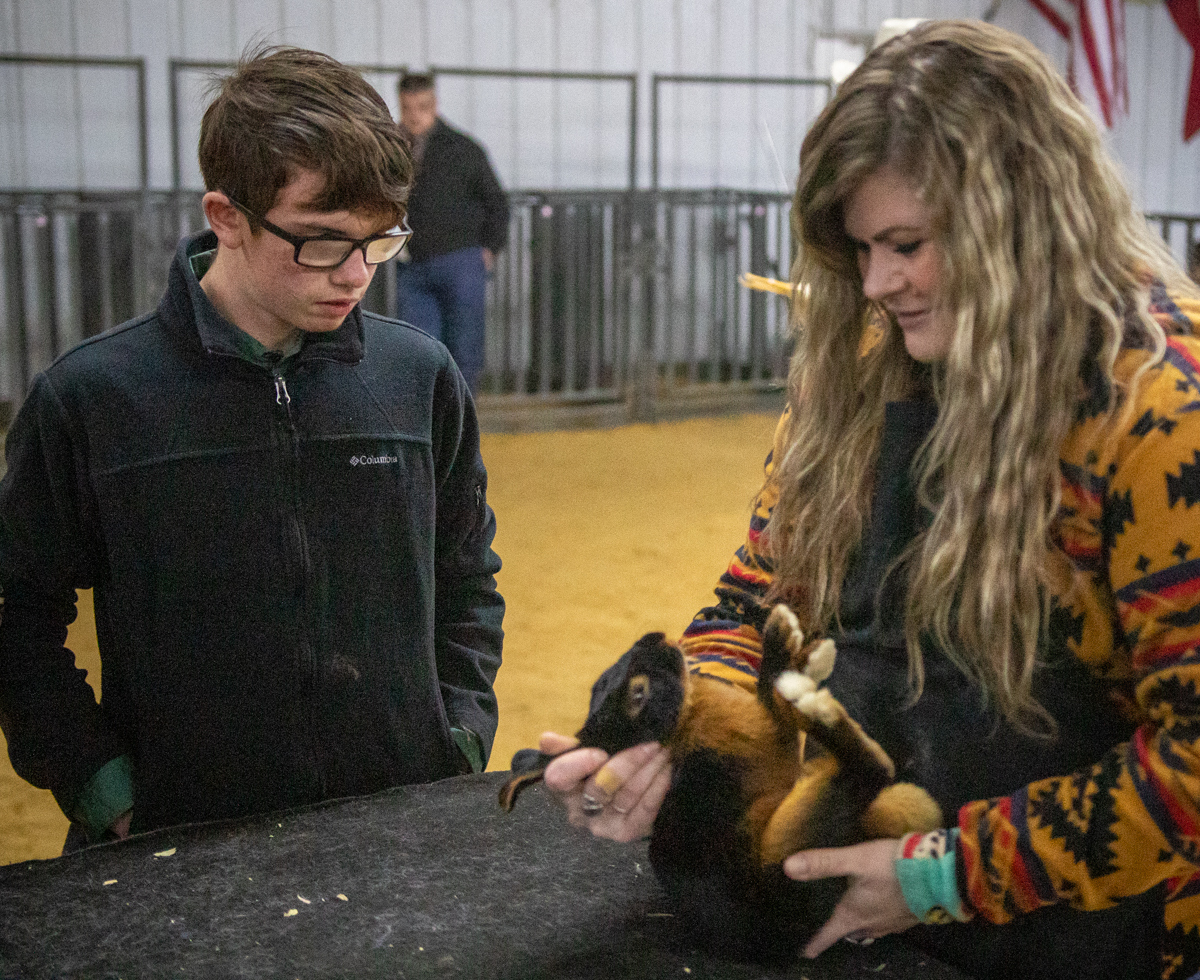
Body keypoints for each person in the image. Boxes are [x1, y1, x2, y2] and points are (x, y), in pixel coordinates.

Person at [540, 20, 1200, 980]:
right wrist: (674, 737)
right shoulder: (861, 363)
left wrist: (948, 876)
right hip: (879, 916)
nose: (880, 283)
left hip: (1098, 940)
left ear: (1022, 220)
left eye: (908, 244)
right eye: (860, 248)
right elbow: (750, 599)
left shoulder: (1160, 412)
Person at [0, 46, 504, 850]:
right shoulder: (93, 401)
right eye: (320, 241)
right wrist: (104, 787)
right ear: (226, 216)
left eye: (378, 241)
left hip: (397, 827)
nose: (355, 275)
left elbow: (467, 573)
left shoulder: (420, 379)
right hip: (177, 844)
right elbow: (17, 613)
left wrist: (459, 736)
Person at [395, 72, 510, 395]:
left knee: (463, 350)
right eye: (408, 108)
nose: (414, 115)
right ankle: (432, 426)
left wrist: (489, 248)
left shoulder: (463, 149)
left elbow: (497, 203)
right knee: (419, 351)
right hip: (415, 263)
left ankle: (458, 427)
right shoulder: (392, 148)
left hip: (458, 262)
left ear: (435, 104)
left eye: (422, 106)